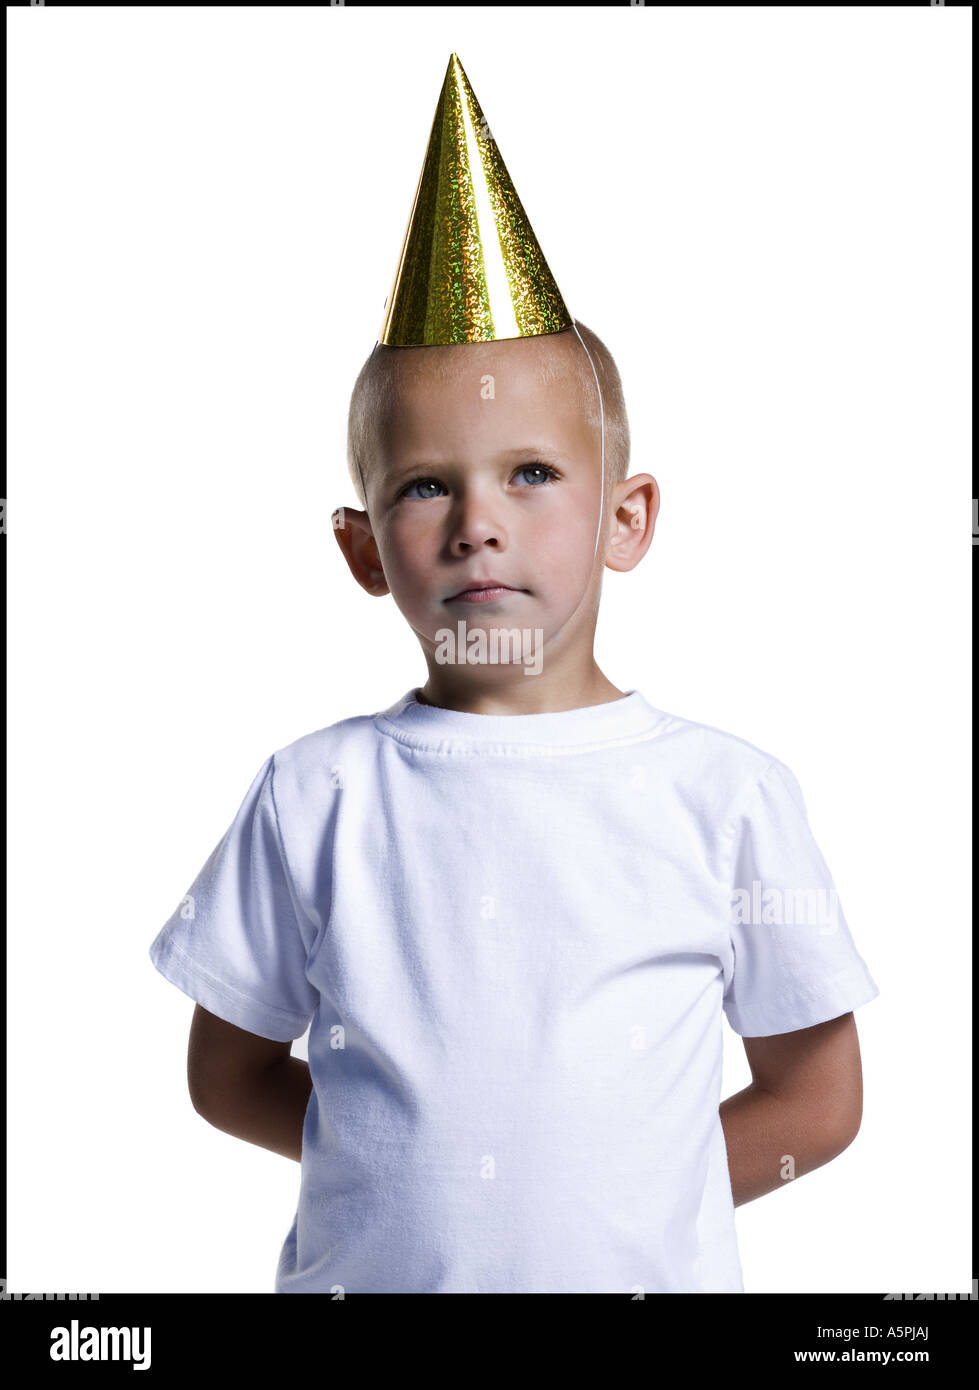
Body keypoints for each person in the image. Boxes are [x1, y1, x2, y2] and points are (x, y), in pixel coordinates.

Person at [149, 54, 879, 1294]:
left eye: (532, 473)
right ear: (364, 548)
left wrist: (628, 1192)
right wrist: (397, 1167)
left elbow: (817, 1100)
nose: (478, 521)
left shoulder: (727, 796)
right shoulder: (314, 794)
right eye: (427, 484)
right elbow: (228, 1077)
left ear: (626, 517)